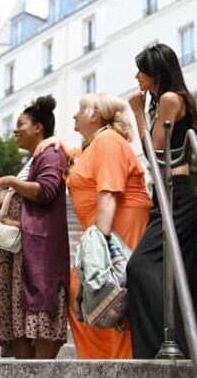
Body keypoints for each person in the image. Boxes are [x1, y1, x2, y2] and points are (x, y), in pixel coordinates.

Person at [126, 43, 197, 359]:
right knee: (185, 276)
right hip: (169, 195)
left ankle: (165, 345)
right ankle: (190, 347)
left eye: (141, 71)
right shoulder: (170, 99)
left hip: (176, 195)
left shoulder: (169, 99)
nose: (137, 77)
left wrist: (138, 113)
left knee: (140, 266)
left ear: (156, 73)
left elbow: (155, 153)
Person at [65, 94, 152, 358]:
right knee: (87, 295)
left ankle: (118, 364)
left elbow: (109, 190)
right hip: (103, 229)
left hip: (117, 231)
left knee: (111, 294)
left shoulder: (108, 140)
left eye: (80, 109)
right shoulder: (93, 145)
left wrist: (100, 243)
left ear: (95, 115)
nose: (74, 115)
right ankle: (100, 363)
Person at [0, 96, 69, 359]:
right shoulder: (35, 159)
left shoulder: (51, 154)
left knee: (37, 316)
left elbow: (46, 191)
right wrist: (2, 201)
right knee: (19, 322)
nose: (15, 130)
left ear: (38, 128)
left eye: (21, 124)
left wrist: (11, 181)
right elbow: (28, 204)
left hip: (37, 256)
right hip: (22, 251)